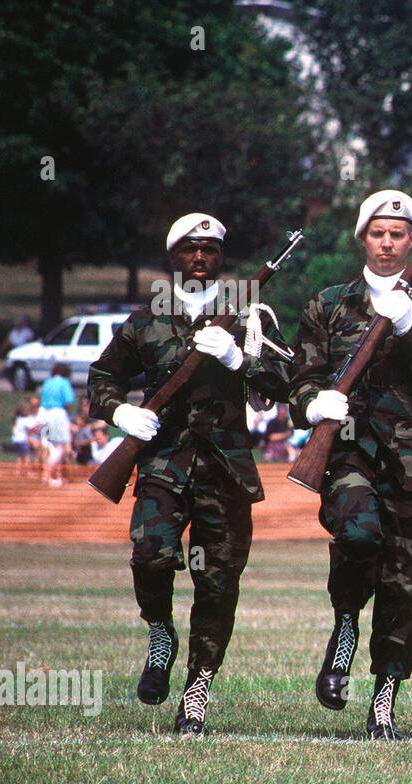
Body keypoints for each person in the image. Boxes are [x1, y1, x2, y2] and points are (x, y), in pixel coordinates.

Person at [88, 212, 294, 736]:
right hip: (163, 463)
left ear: (221, 258)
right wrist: (120, 414)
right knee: (150, 555)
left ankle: (197, 688)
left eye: (209, 249)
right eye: (188, 249)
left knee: (218, 581)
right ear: (173, 256)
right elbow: (102, 377)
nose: (199, 257)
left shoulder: (250, 315)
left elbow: (284, 380)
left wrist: (236, 360)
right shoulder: (145, 319)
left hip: (226, 468)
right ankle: (160, 633)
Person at [289, 189, 412, 741]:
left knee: (403, 586)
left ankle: (384, 699)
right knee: (358, 534)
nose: (387, 243)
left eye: (398, 234)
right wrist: (312, 404)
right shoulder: (329, 303)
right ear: (362, 238)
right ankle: (345, 626)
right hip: (347, 453)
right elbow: (300, 379)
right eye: (377, 233)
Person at [10, 397, 42, 478]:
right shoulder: (25, 419)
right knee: (26, 456)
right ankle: (28, 472)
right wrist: (38, 426)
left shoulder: (19, 419)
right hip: (22, 440)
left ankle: (17, 472)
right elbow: (32, 428)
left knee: (20, 456)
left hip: (15, 440)